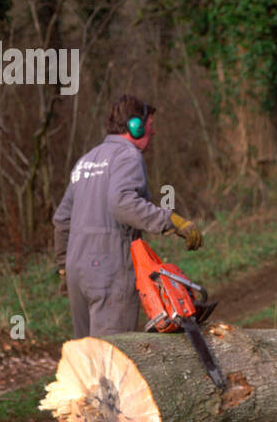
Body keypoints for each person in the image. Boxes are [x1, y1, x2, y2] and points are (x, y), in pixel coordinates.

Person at [52, 94, 204, 339]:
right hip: (109, 268)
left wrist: (63, 268)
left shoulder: (86, 161)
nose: (153, 133)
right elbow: (122, 203)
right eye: (151, 126)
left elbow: (61, 220)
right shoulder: (128, 156)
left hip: (76, 270)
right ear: (136, 127)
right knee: (113, 354)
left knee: (86, 356)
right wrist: (171, 220)